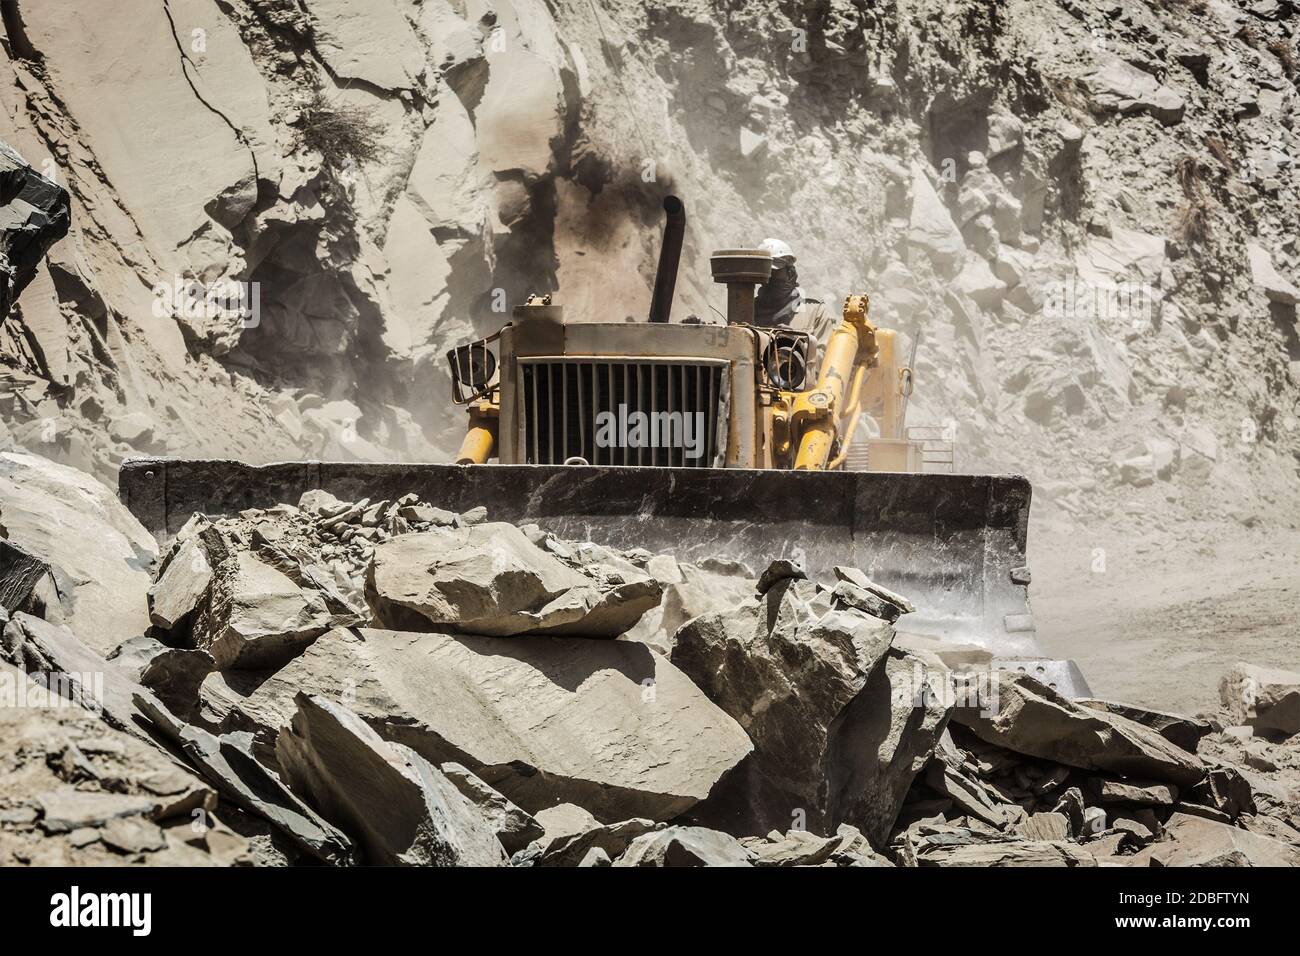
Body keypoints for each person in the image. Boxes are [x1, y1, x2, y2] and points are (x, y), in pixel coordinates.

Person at [752, 238, 836, 382]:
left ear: (790, 273)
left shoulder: (814, 312)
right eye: (766, 273)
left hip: (796, 397)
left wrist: (798, 347)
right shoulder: (748, 311)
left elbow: (828, 364)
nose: (770, 279)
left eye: (775, 272)